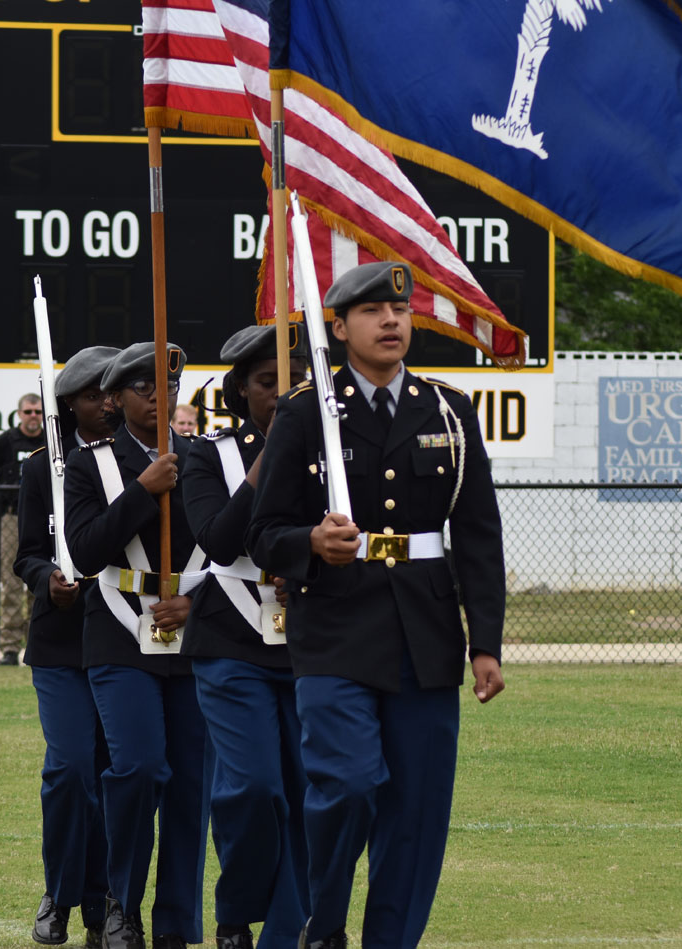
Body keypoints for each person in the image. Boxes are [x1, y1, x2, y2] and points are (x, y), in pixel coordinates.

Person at [246, 262, 506, 949]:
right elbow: (262, 531)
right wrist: (309, 540)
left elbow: (477, 534)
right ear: (338, 327)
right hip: (334, 627)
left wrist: (486, 643)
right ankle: (323, 921)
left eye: (400, 310)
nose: (391, 321)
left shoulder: (448, 410)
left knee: (415, 813)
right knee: (350, 785)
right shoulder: (306, 411)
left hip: (425, 634)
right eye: (370, 312)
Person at [63, 342, 212, 949]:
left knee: (190, 785)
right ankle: (122, 903)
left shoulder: (204, 458)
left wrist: (198, 604)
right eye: (144, 388)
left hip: (194, 634)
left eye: (168, 386)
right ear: (116, 397)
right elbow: (86, 551)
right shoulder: (90, 465)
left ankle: (177, 922)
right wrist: (143, 490)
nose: (159, 396)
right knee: (139, 767)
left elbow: (233, 547)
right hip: (120, 636)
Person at [181, 324, 310, 949]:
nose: (283, 395)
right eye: (267, 384)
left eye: (295, 382)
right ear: (240, 391)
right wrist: (272, 452)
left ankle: (286, 931)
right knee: (255, 788)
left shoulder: (332, 457)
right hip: (231, 643)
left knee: (313, 794)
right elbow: (218, 540)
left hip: (314, 644)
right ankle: (235, 908)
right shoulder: (210, 456)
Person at [14, 346, 120, 948]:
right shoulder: (38, 470)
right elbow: (25, 552)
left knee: (116, 772)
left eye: (111, 392)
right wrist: (44, 579)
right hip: (59, 644)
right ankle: (61, 892)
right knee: (71, 768)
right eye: (90, 395)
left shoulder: (137, 464)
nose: (104, 403)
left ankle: (107, 899)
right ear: (68, 404)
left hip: (124, 638)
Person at [0, 392, 44, 665]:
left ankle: (37, 643)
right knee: (12, 583)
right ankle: (10, 648)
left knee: (40, 582)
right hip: (12, 519)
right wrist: (2, 505)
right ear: (19, 414)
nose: (33, 417)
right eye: (28, 411)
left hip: (44, 521)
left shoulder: (51, 440)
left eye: (38, 412)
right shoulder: (5, 442)